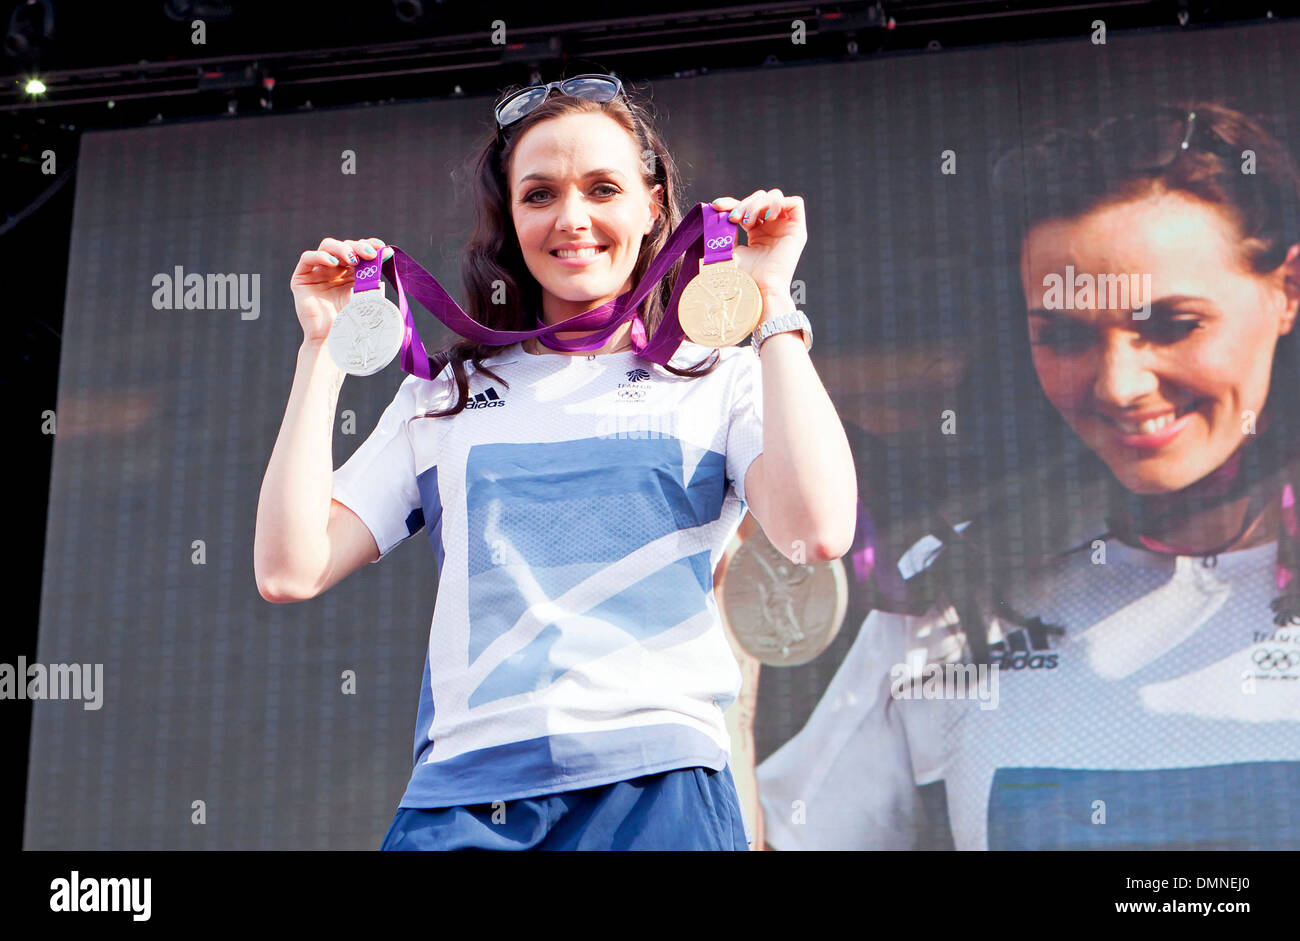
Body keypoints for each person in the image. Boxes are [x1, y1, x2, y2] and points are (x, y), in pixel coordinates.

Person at [253, 73, 856, 850]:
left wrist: (771, 301)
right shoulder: (445, 396)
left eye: (602, 188)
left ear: (652, 203)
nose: (572, 218)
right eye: (539, 194)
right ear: (510, 218)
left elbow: (819, 529)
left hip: (657, 789)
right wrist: (322, 350)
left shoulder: (718, 379)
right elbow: (287, 567)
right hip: (463, 799)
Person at [757, 101, 1300, 850]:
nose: (1120, 385)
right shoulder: (952, 600)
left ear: (1288, 291)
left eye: (1173, 325)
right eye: (1065, 336)